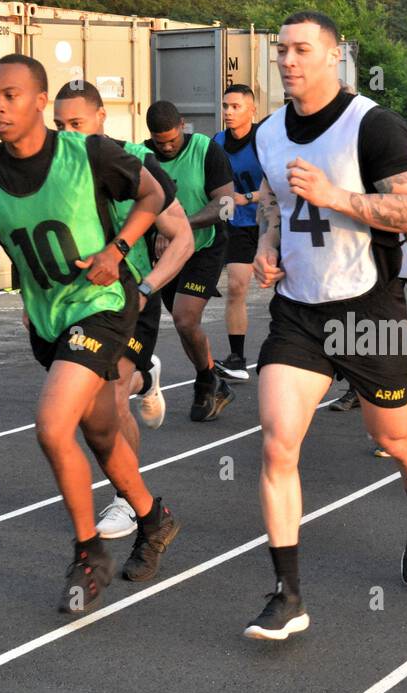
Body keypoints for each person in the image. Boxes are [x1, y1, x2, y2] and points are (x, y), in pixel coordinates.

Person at [0, 54, 177, 614]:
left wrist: (118, 248)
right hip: (48, 319)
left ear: (39, 102)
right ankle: (154, 519)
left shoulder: (89, 153)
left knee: (53, 428)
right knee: (101, 433)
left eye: (10, 95)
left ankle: (88, 555)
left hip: (102, 304)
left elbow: (156, 195)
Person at [245, 11, 407, 640]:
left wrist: (338, 197)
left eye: (302, 49)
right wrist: (268, 243)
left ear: (335, 57)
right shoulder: (269, 132)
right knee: (277, 442)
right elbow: (277, 200)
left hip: (368, 307)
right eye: (281, 50)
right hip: (299, 308)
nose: (288, 60)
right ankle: (288, 596)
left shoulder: (372, 125)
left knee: (395, 437)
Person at [52, 80, 197, 538]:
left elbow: (183, 238)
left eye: (76, 124)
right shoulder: (51, 168)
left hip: (128, 297)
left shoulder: (134, 160)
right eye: (59, 125)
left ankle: (128, 500)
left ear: (101, 119)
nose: (68, 134)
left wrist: (148, 288)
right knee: (86, 408)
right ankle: (146, 377)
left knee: (112, 400)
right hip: (74, 301)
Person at [142, 101, 238, 421]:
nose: (167, 147)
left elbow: (225, 205)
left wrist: (181, 226)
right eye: (160, 142)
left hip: (204, 247)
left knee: (184, 317)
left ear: (183, 125)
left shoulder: (206, 150)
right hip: (167, 254)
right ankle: (210, 378)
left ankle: (206, 382)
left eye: (172, 139)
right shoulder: (143, 157)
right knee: (186, 327)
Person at [212, 84, 264, 383]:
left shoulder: (264, 141)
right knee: (236, 287)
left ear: (251, 109)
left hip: (270, 224)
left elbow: (278, 184)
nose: (229, 112)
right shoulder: (216, 142)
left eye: (236, 107)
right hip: (237, 227)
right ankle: (237, 358)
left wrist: (248, 197)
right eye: (225, 106)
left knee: (295, 294)